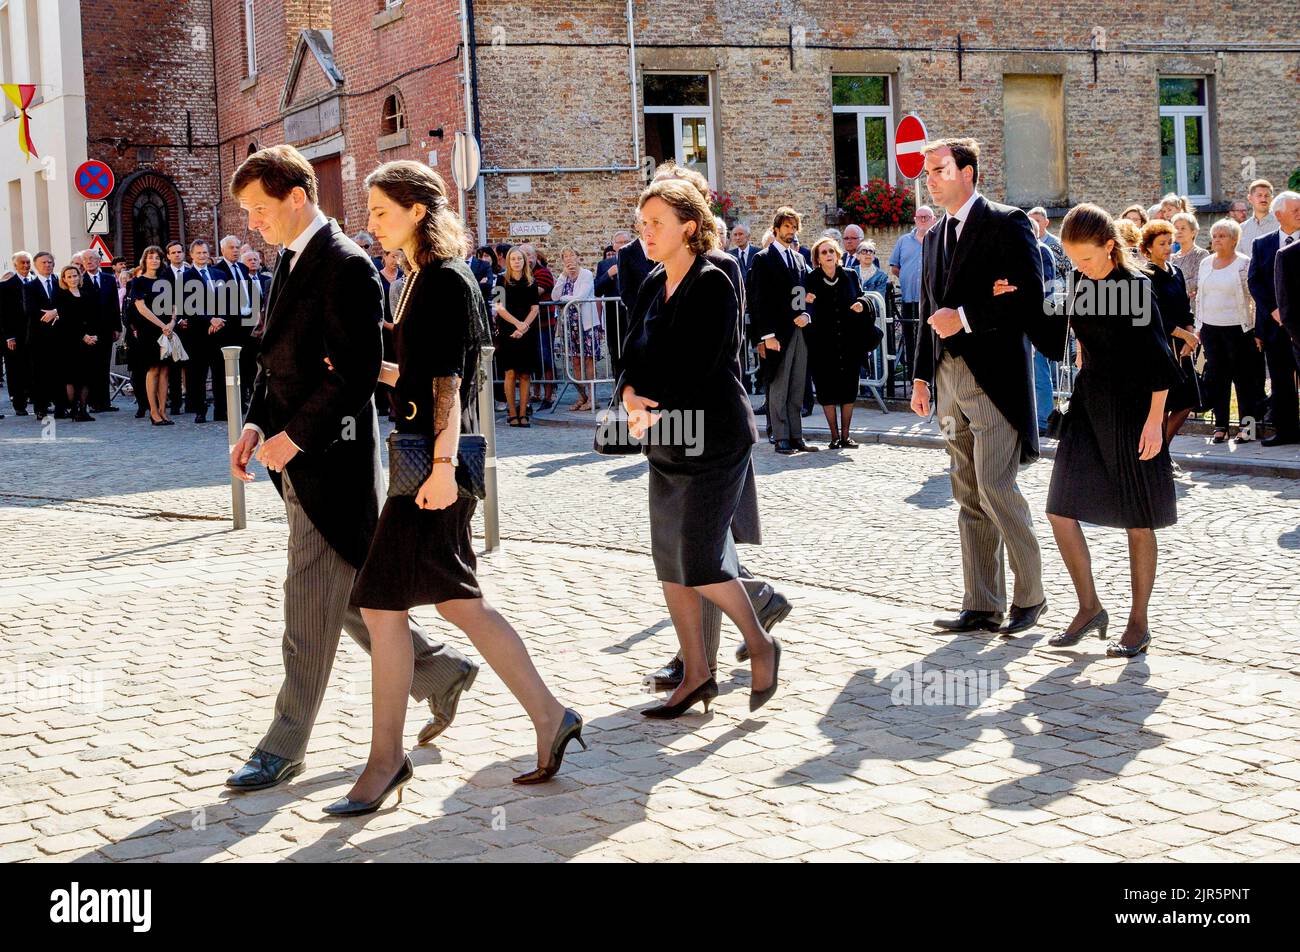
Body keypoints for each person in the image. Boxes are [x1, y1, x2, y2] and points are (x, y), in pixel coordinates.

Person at [224, 144, 478, 794]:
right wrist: (256, 423)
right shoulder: (290, 258)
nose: (252, 223)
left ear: (296, 199)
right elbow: (273, 357)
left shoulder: (347, 266)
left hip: (331, 462)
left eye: (258, 209)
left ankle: (284, 746)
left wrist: (294, 439)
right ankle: (437, 672)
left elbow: (359, 371)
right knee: (352, 594)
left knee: (307, 604)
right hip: (296, 455)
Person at [329, 160, 580, 815]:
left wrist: (441, 468)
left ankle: (386, 761)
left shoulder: (442, 280)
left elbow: (447, 384)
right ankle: (551, 716)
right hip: (423, 457)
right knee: (459, 604)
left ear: (416, 210)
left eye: (382, 211)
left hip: (431, 468)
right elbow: (419, 374)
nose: (372, 222)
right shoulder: (416, 280)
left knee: (384, 604)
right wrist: (370, 368)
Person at [619, 176, 780, 717]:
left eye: (655, 224)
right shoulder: (648, 285)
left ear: (689, 227)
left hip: (715, 440)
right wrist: (628, 396)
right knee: (670, 562)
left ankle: (759, 642)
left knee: (702, 559)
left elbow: (705, 364)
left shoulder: (714, 280)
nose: (645, 233)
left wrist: (653, 405)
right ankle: (696, 675)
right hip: (664, 440)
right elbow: (630, 358)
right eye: (641, 224)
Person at [909, 137, 1046, 637]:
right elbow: (928, 311)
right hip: (946, 382)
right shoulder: (934, 234)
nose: (931, 179)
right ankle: (982, 604)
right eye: (927, 172)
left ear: (968, 171)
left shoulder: (1007, 223)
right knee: (965, 492)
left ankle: (1031, 596)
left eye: (940, 169)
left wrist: (966, 317)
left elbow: (1028, 297)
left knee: (995, 485)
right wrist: (922, 376)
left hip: (994, 378)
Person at [1039, 204, 1181, 658]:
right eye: (1071, 260)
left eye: (1084, 258)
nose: (1077, 268)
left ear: (1109, 246)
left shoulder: (1135, 288)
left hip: (1136, 407)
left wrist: (1156, 421)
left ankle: (1138, 623)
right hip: (1088, 404)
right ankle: (1089, 608)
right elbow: (1068, 330)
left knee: (1138, 518)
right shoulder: (1081, 282)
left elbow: (1160, 360)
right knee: (1060, 509)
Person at [749, 206, 816, 455]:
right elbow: (759, 300)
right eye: (786, 226)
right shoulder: (763, 259)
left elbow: (803, 295)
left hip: (799, 331)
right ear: (776, 228)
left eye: (794, 227)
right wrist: (767, 336)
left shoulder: (799, 259)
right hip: (776, 333)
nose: (790, 231)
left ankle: (796, 435)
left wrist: (807, 315)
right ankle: (780, 436)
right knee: (779, 385)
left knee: (798, 385)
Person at [1196, 218, 1263, 444]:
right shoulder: (1205, 263)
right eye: (1214, 235)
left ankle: (1249, 429)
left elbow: (1254, 298)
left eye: (1222, 236)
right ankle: (1221, 426)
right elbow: (1200, 297)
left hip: (1240, 329)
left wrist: (1256, 330)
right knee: (1217, 379)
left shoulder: (1244, 263)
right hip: (1211, 329)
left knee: (1245, 380)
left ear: (1234, 240)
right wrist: (1199, 326)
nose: (1217, 239)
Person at [806, 236, 875, 448]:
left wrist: (862, 304)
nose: (828, 255)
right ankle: (834, 436)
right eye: (823, 252)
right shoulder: (812, 279)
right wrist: (806, 303)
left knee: (848, 389)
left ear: (838, 255)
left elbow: (864, 297)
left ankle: (846, 435)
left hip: (848, 342)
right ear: (817, 258)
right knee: (826, 390)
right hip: (822, 343)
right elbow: (800, 306)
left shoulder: (850, 276)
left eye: (831, 252)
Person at [1246, 191, 1300, 446]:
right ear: (1279, 215)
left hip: (1299, 323)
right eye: (1295, 211)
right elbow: (1255, 280)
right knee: (1280, 379)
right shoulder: (1263, 243)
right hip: (1275, 324)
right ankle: (1287, 429)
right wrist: (1273, 310)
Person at [1141, 220, 1201, 442]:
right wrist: (1183, 335)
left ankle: (1162, 450)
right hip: (1160, 346)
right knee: (1162, 405)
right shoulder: (1145, 275)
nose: (1168, 248)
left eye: (1170, 243)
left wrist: (1189, 335)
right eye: (1162, 243)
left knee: (1187, 402)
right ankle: (1159, 457)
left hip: (1182, 347)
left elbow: (1185, 309)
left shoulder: (1176, 272)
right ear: (1148, 247)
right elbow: (1153, 317)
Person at [129, 246, 177, 426]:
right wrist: (162, 325)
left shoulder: (166, 280)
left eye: (157, 257)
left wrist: (172, 322)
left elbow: (174, 303)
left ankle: (164, 410)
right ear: (145, 260)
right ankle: (154, 411)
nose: (154, 260)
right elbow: (141, 308)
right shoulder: (139, 282)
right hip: (149, 330)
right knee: (153, 369)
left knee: (165, 371)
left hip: (168, 329)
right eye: (151, 257)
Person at [494, 246, 541, 427]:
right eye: (513, 259)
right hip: (508, 331)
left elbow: (534, 308)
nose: (516, 262)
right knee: (510, 372)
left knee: (525, 374)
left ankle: (523, 413)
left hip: (526, 331)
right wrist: (517, 324)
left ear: (524, 261)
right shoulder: (500, 280)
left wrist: (524, 327)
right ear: (508, 261)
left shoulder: (531, 281)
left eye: (519, 259)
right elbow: (499, 307)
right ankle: (512, 412)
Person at [889, 206, 935, 380]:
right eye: (920, 217)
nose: (923, 220)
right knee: (910, 340)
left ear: (933, 219)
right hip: (910, 299)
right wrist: (911, 278)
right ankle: (913, 377)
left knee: (930, 339)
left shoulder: (938, 239)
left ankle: (930, 378)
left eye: (927, 217)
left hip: (931, 301)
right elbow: (895, 267)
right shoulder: (903, 241)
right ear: (915, 219)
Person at [213, 235, 257, 409]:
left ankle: (242, 401)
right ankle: (224, 406)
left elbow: (250, 293)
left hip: (247, 322)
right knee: (227, 366)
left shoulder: (243, 268)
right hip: (229, 324)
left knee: (247, 364)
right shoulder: (217, 270)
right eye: (231, 248)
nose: (235, 250)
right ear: (223, 250)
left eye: (238, 247)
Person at [551, 247, 599, 410]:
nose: (569, 259)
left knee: (588, 360)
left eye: (572, 255)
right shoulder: (563, 277)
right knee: (576, 362)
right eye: (565, 256)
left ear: (578, 257)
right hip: (569, 325)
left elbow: (581, 297)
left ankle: (593, 398)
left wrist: (565, 298)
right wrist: (563, 276)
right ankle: (582, 397)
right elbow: (554, 297)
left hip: (586, 324)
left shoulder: (586, 274)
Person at [52, 265, 97, 422]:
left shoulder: (86, 294)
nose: (73, 279)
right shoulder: (61, 296)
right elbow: (66, 321)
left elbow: (93, 316)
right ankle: (74, 410)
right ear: (64, 279)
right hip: (69, 341)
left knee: (85, 377)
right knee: (71, 377)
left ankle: (83, 410)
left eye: (75, 275)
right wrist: (83, 335)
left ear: (80, 277)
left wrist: (93, 335)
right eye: (69, 276)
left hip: (87, 342)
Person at [24, 252, 65, 421]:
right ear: (36, 265)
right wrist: (48, 314)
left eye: (50, 262)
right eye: (43, 263)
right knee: (40, 374)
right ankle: (40, 408)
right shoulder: (30, 286)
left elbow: (67, 304)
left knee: (59, 373)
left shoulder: (60, 284)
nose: (47, 265)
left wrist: (56, 312)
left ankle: (61, 407)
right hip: (38, 336)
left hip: (59, 335)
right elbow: (30, 309)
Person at [80, 251, 120, 413]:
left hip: (106, 329)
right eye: (85, 260)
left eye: (92, 259)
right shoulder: (80, 280)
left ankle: (105, 402)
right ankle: (92, 402)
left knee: (104, 366)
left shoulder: (109, 279)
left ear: (99, 261)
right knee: (91, 367)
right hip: (88, 332)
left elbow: (114, 305)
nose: (89, 262)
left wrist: (116, 327)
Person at [1, 252, 35, 415]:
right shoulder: (6, 286)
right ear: (15, 265)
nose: (26, 265)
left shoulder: (35, 283)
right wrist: (9, 336)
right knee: (16, 370)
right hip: (15, 335)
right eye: (22, 263)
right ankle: (19, 404)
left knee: (33, 368)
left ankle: (36, 400)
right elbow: (3, 314)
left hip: (33, 334)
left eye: (28, 262)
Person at [1171, 212, 1210, 302]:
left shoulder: (1201, 254)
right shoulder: (1172, 258)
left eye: (1183, 228)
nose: (1179, 231)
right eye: (1176, 228)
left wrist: (1174, 287)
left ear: (1193, 232)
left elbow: (1197, 282)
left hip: (1194, 306)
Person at [1239, 179, 1278, 251]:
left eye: (1267, 196)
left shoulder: (1282, 225)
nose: (1263, 199)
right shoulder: (1241, 229)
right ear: (1250, 198)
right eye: (1259, 195)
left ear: (1272, 198)